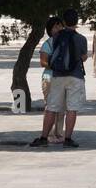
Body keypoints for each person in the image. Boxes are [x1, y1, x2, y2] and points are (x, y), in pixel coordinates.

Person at [32, 8, 89, 148]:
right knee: (71, 108)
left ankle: (44, 137)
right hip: (75, 76)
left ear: (64, 21)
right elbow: (83, 57)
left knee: (51, 107)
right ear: (77, 21)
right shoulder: (81, 39)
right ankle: (68, 138)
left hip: (57, 75)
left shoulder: (56, 37)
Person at [37, 16, 65, 144]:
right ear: (50, 29)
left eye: (60, 26)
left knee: (61, 107)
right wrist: (57, 65)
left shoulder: (65, 43)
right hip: (49, 77)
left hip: (62, 78)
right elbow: (43, 62)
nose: (59, 28)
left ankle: (59, 132)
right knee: (50, 106)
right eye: (55, 26)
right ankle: (49, 133)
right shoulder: (47, 44)